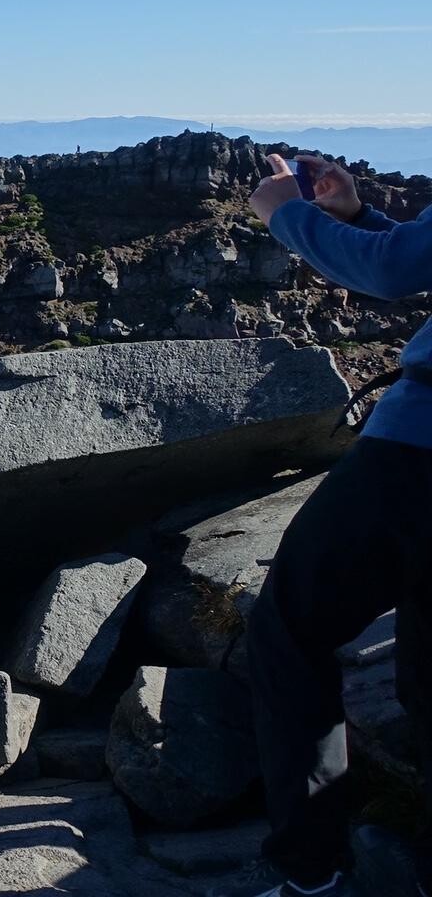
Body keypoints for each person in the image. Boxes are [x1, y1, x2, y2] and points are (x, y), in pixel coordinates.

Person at [243, 152, 432, 897]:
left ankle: (310, 871)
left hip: (414, 459)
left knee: (289, 630)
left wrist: (283, 213)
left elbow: (393, 272)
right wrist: (357, 218)